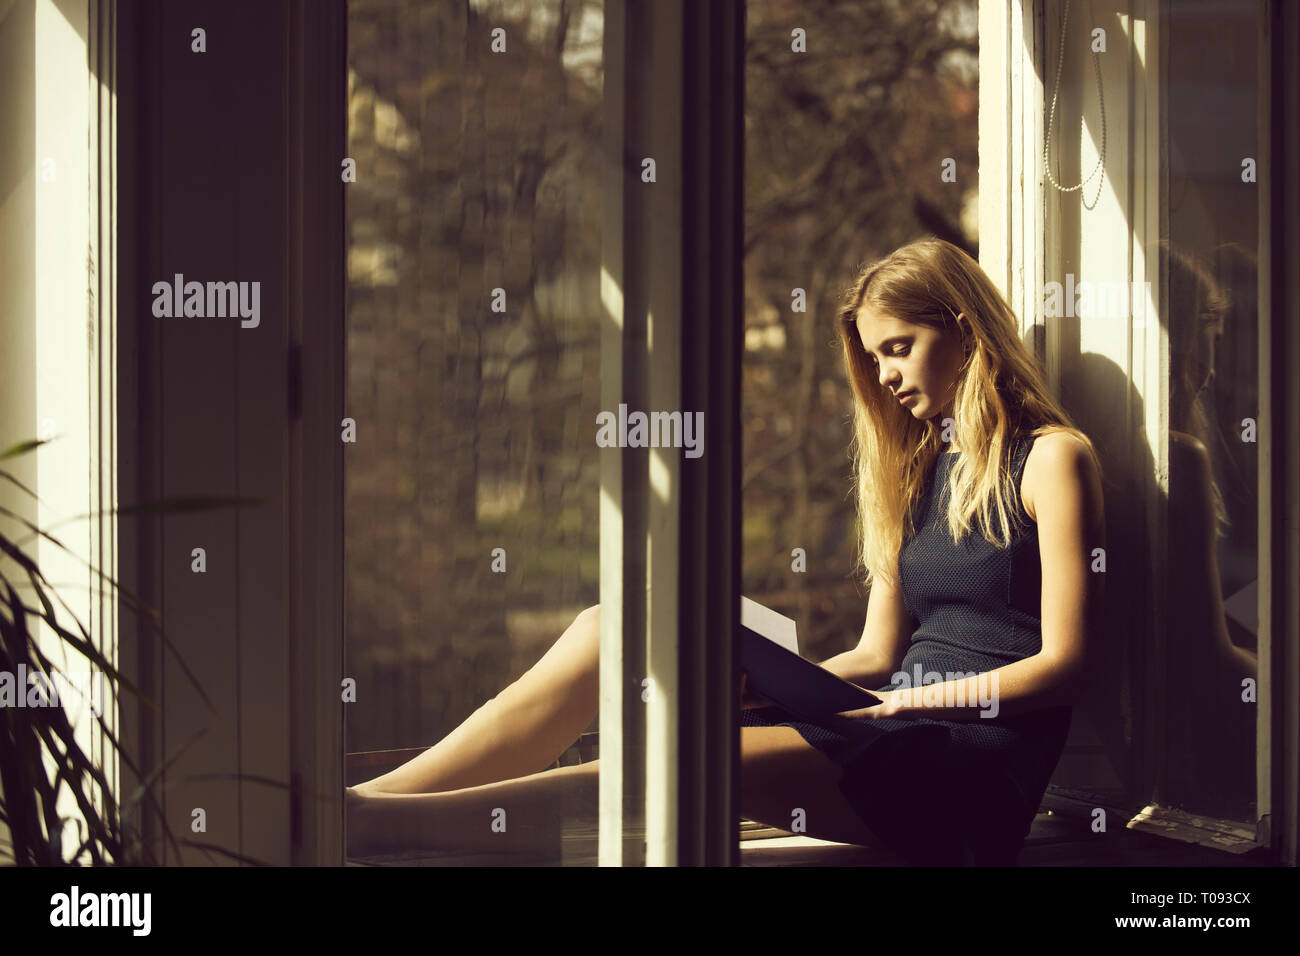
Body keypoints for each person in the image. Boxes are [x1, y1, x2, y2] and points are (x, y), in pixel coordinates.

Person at [346, 235, 1105, 865]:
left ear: (966, 327)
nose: (885, 376)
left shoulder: (1053, 459)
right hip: (889, 724)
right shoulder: (917, 473)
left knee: (684, 758)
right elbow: (876, 655)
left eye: (899, 348)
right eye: (874, 359)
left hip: (968, 772)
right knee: (612, 628)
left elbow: (1067, 666)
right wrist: (781, 689)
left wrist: (914, 700)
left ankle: (370, 829)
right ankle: (373, 803)